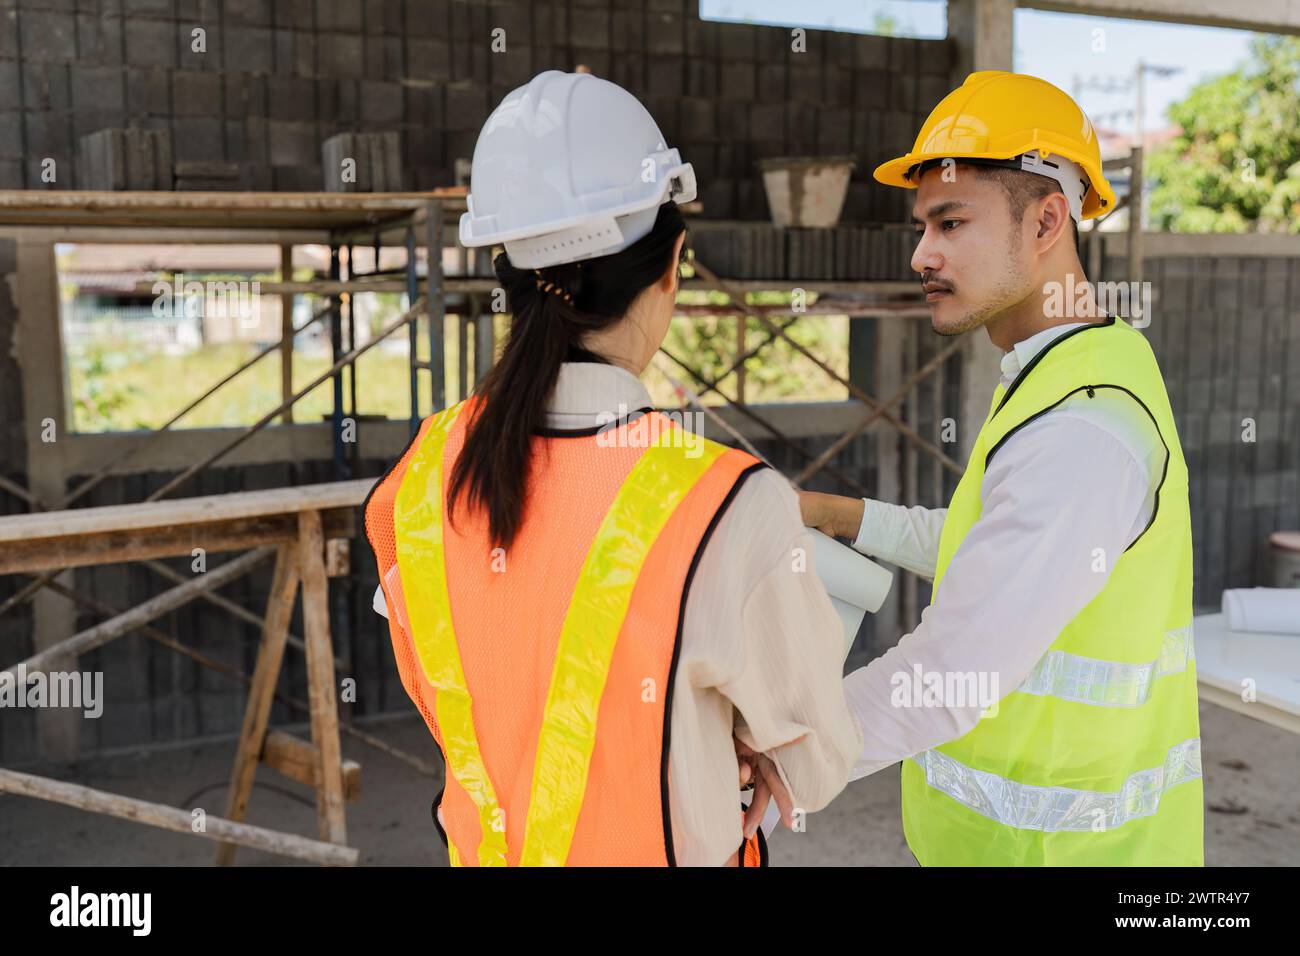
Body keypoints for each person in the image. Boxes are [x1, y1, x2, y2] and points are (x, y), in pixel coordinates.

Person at [363, 70, 860, 867]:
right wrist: (708, 743)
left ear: (510, 281)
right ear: (671, 269)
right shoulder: (730, 504)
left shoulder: (417, 482)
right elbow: (815, 764)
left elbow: (463, 699)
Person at [796, 71, 1202, 865]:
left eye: (950, 222)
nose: (922, 253)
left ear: (1048, 219)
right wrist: (828, 514)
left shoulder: (1083, 424)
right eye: (923, 227)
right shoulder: (1074, 364)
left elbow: (950, 677)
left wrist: (761, 755)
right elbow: (992, 541)